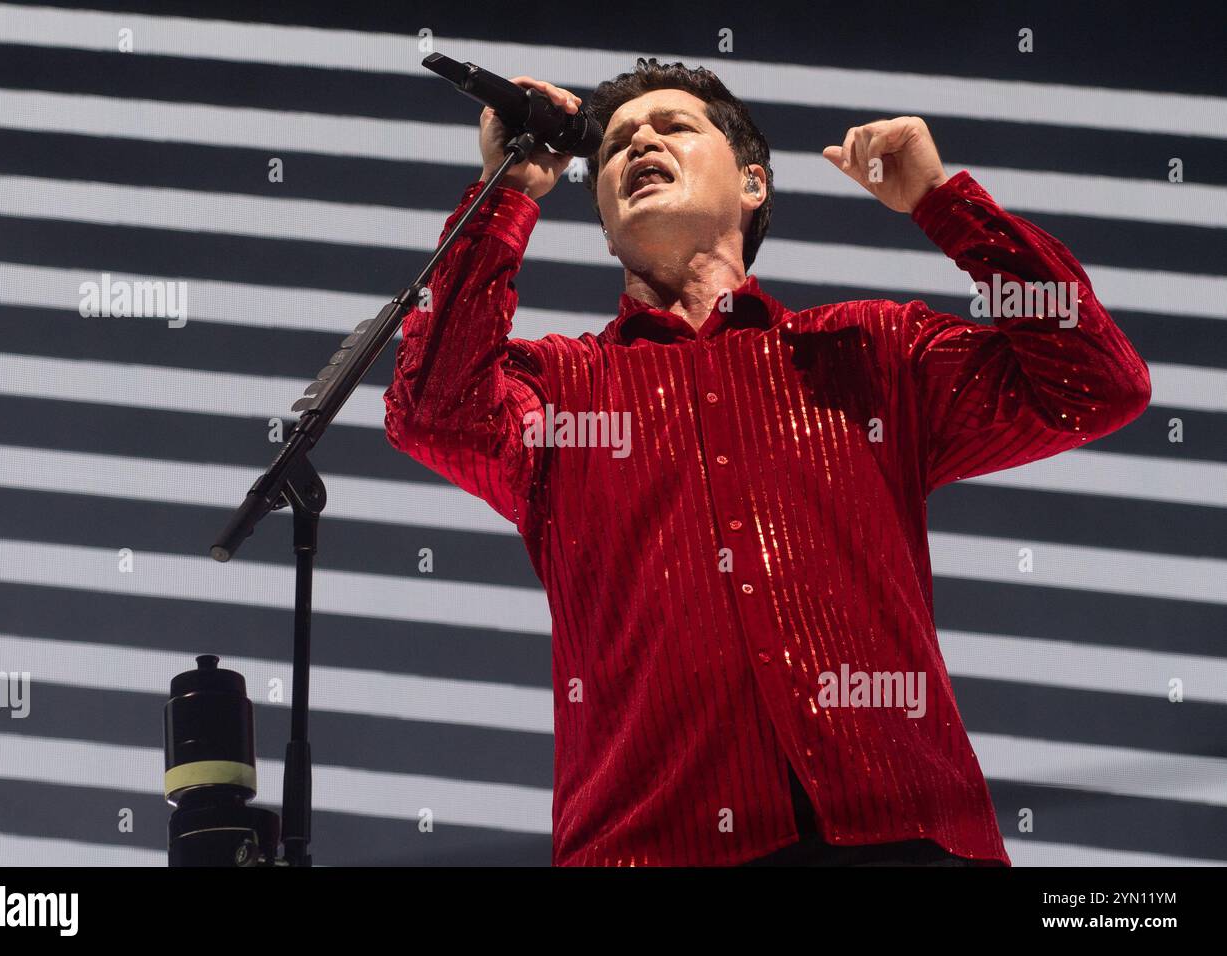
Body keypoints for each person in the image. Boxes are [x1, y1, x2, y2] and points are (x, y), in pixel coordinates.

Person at [383, 58, 1151, 866]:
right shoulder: (560, 389)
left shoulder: (867, 350)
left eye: (674, 125)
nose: (640, 138)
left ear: (753, 185)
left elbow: (1098, 383)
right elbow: (434, 415)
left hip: (906, 835)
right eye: (613, 146)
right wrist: (506, 195)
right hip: (652, 846)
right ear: (606, 228)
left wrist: (942, 202)